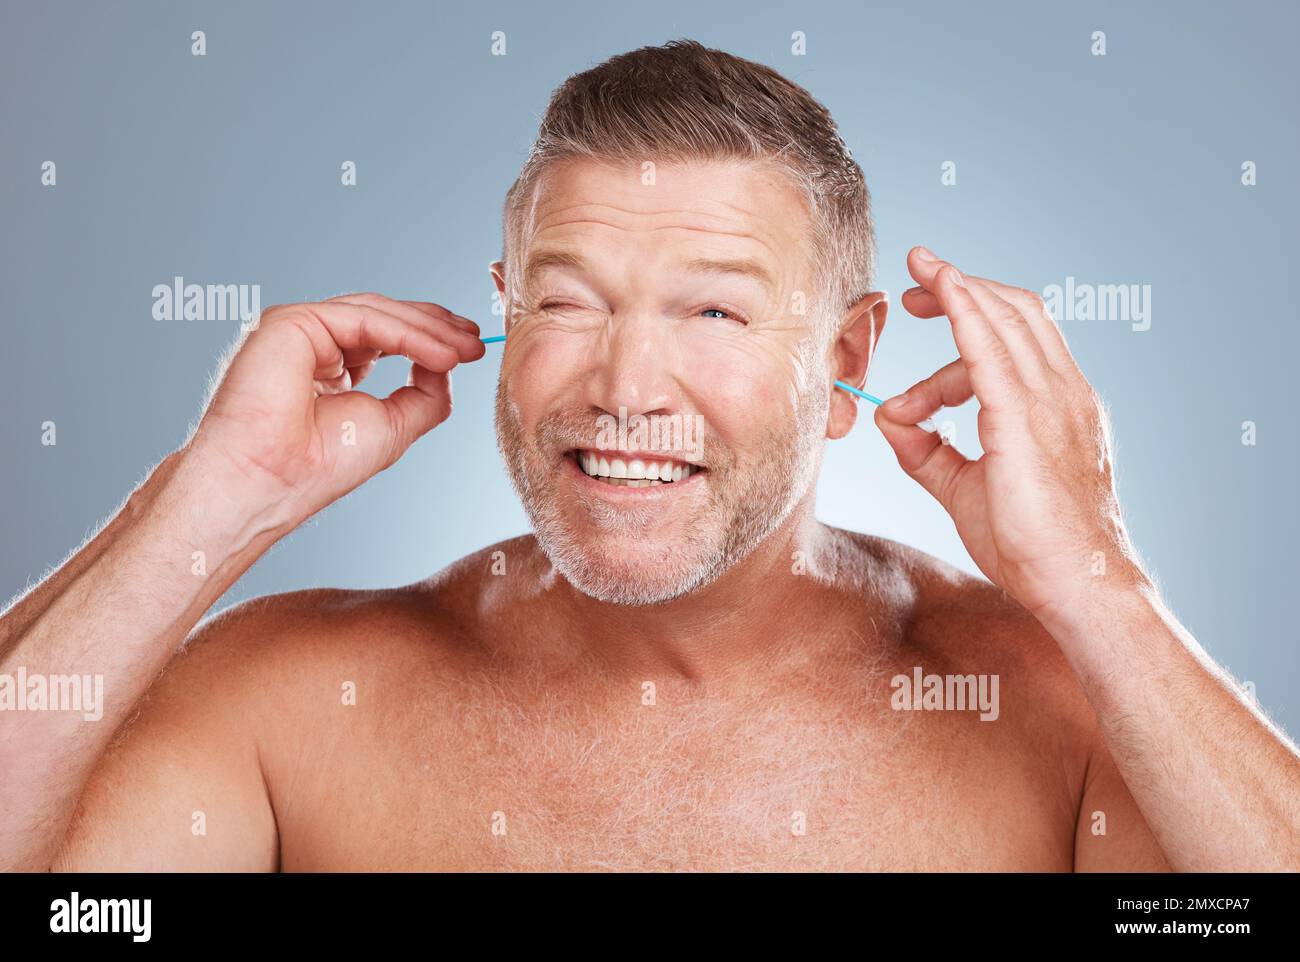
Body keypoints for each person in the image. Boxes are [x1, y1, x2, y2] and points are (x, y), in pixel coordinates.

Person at [3, 40, 1297, 872]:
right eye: (568, 302)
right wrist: (205, 505)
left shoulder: (1055, 708)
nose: (622, 387)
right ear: (504, 313)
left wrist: (1098, 585)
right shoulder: (286, 700)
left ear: (845, 357)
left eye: (717, 310)